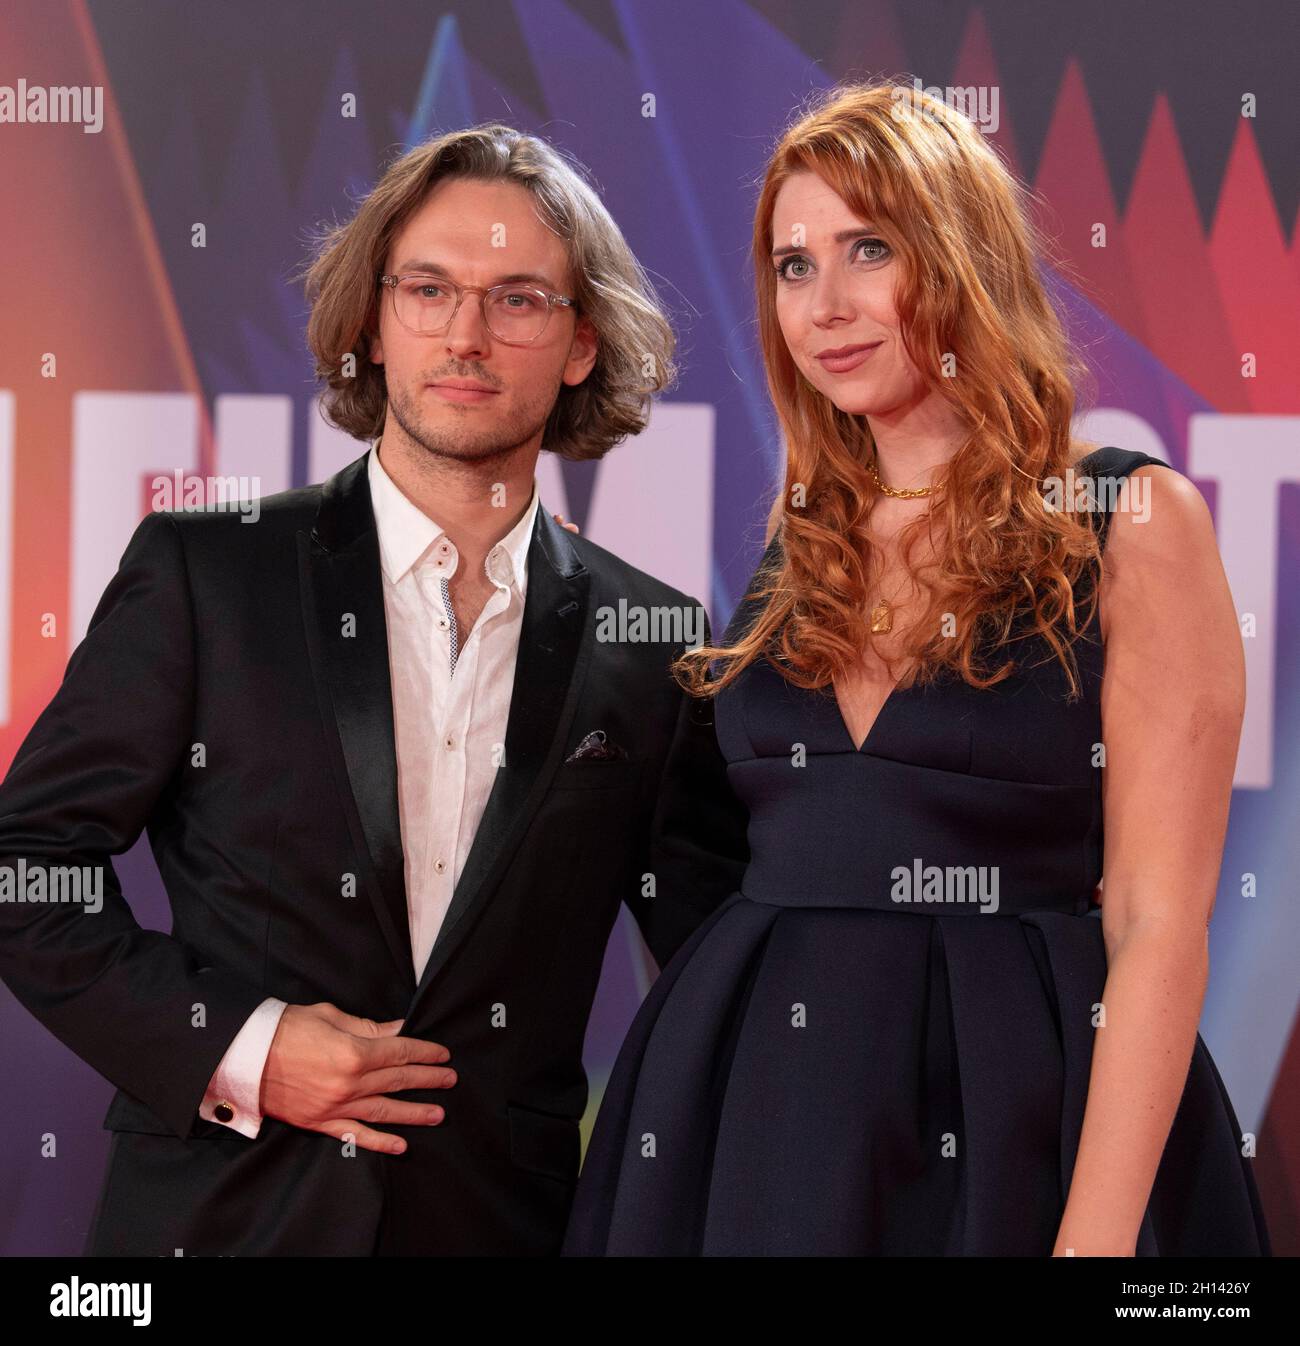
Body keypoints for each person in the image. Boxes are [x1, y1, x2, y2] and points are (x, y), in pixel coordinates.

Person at [0, 124, 745, 1256]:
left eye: (519, 300)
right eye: (429, 289)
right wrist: (240, 1043)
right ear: (373, 325)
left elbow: (723, 957)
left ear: (583, 342)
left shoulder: (652, 644)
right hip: (219, 1221)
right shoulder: (209, 573)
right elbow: (26, 865)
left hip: (503, 1226)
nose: (466, 334)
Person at [563, 82, 1271, 1256]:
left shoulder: (1128, 518)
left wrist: (1091, 1241)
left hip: (1018, 1123)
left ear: (961, 257)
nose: (824, 306)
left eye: (867, 250)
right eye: (792, 266)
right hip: (747, 1122)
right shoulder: (804, 539)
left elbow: (1156, 920)